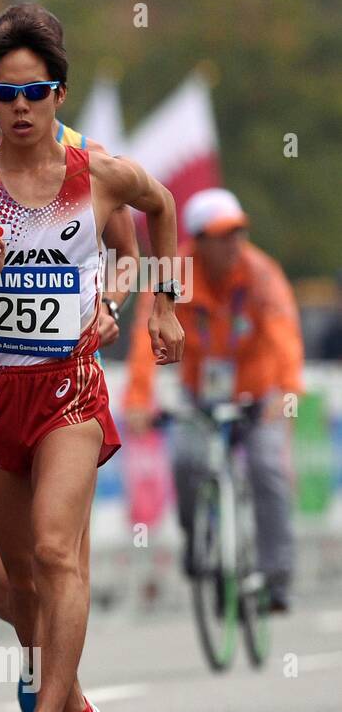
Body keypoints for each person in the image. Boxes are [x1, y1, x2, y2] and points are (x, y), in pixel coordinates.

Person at [0, 13, 184, 712]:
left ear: (59, 94)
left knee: (56, 548)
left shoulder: (98, 173)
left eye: (35, 92)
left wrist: (161, 304)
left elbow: (163, 204)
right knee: (19, 579)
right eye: (5, 93)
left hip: (70, 388)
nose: (20, 107)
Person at [124, 187, 302, 613]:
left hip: (258, 394)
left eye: (238, 232)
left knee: (267, 470)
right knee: (186, 460)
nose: (233, 243)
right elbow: (146, 337)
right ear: (197, 240)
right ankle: (199, 541)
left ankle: (275, 578)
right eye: (222, 235)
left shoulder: (261, 274)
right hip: (198, 394)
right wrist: (139, 397)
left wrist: (289, 390)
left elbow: (284, 336)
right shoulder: (175, 274)